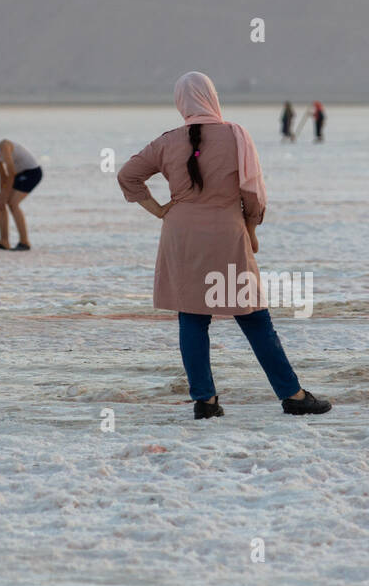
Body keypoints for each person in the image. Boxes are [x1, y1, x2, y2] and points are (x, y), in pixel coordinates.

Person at [117, 71, 332, 419]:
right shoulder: (236, 135)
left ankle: (205, 401)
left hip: (181, 237)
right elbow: (252, 194)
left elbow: (127, 175)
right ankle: (292, 395)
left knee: (192, 318)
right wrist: (251, 230)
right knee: (254, 319)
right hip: (226, 235)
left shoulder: (168, 141)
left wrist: (159, 211)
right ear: (212, 97)